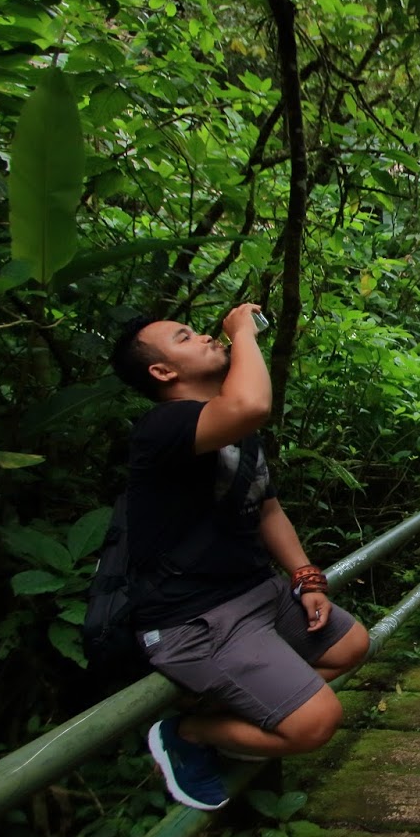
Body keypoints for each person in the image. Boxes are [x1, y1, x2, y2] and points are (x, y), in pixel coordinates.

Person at [109, 303, 369, 811]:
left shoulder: (230, 431)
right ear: (162, 372)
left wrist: (306, 577)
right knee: (316, 723)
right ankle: (191, 733)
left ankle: (244, 709)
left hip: (255, 594)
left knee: (350, 645)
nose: (206, 337)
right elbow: (251, 404)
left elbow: (267, 508)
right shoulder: (163, 428)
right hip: (197, 617)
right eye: (186, 338)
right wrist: (242, 330)